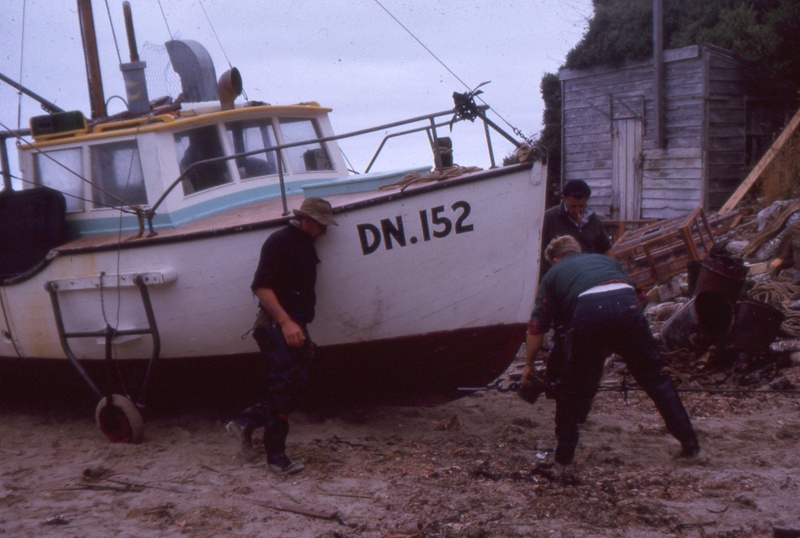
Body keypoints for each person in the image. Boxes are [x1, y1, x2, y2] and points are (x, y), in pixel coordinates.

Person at [521, 235, 700, 465]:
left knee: (570, 386)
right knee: (656, 379)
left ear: (555, 259)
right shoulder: (606, 262)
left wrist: (528, 366)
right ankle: (690, 444)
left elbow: (536, 327)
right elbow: (638, 296)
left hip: (588, 310)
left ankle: (564, 455)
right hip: (627, 306)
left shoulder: (553, 274)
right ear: (579, 251)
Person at [227, 197, 338, 474]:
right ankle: (276, 457)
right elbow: (261, 287)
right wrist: (286, 322)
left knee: (298, 383)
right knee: (284, 384)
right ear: (306, 221)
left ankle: (246, 420)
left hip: (294, 323)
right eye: (321, 225)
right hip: (276, 324)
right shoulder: (280, 242)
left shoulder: (304, 244)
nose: (324, 231)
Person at [539, 179, 614, 388]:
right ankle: (553, 379)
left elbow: (605, 248)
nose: (577, 211)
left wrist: (617, 270)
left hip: (587, 283)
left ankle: (579, 378)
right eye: (573, 206)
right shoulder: (551, 218)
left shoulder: (593, 220)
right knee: (563, 331)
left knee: (586, 330)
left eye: (581, 206)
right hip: (560, 282)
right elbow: (538, 251)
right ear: (565, 199)